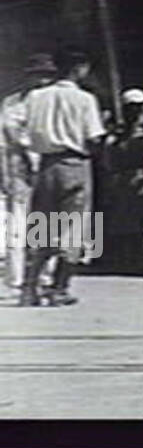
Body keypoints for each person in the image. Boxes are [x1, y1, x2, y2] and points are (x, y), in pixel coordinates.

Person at [21, 48, 106, 307]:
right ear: (79, 68)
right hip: (75, 163)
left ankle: (30, 287)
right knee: (74, 228)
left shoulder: (35, 97)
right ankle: (59, 287)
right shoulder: (84, 99)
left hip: (45, 164)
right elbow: (93, 136)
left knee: (42, 226)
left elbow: (27, 132)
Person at [1, 53, 56, 296]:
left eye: (46, 75)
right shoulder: (12, 103)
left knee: (48, 221)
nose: (42, 80)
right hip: (19, 167)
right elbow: (9, 137)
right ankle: (16, 277)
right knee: (18, 222)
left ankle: (46, 274)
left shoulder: (54, 100)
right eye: (37, 75)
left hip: (48, 164)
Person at [102, 88, 143, 272]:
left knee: (125, 221)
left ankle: (125, 257)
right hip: (137, 179)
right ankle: (139, 258)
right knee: (141, 221)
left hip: (120, 181)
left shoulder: (114, 138)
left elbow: (107, 162)